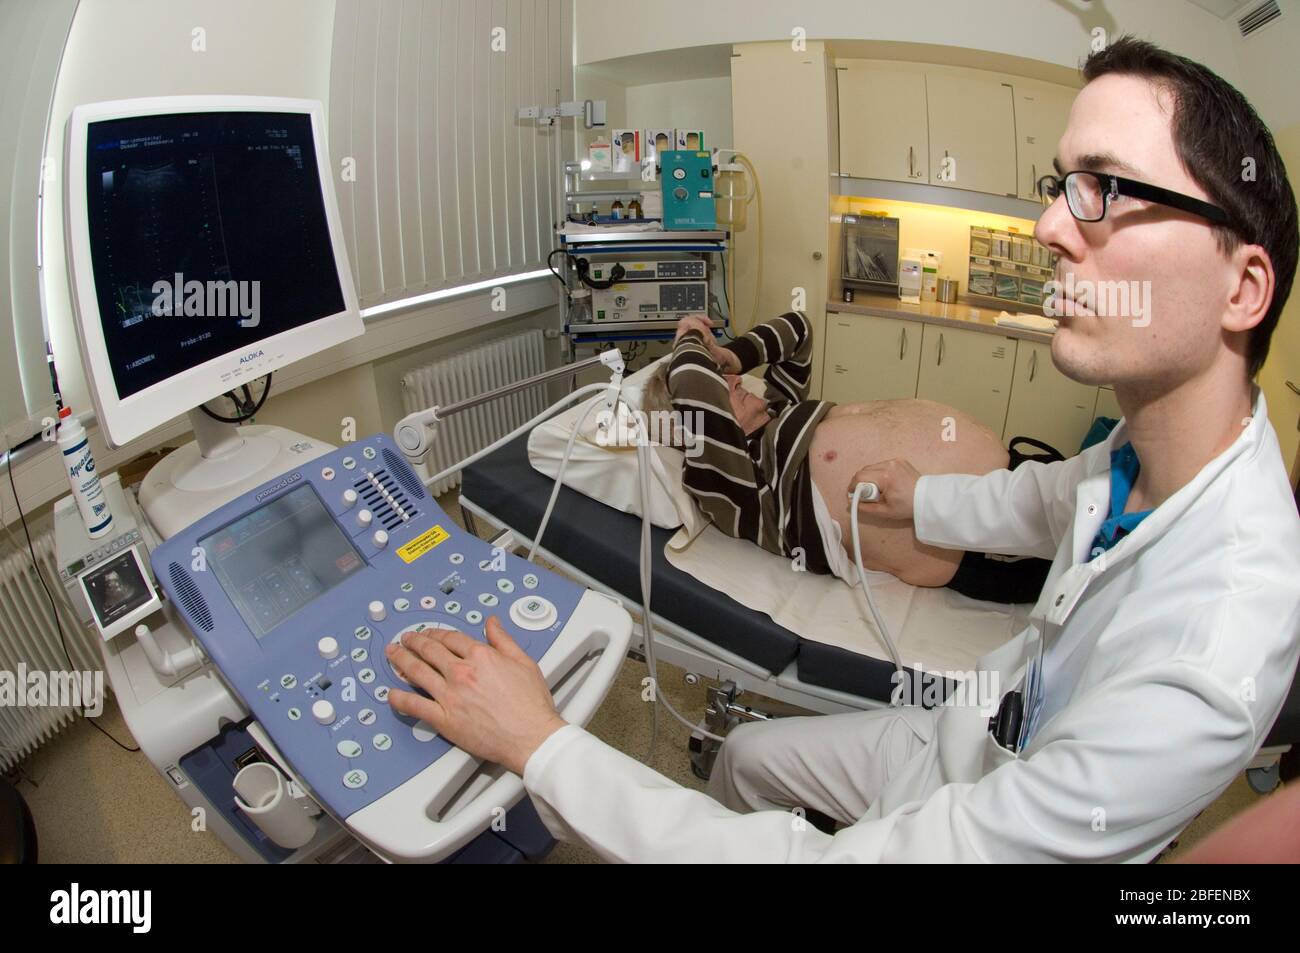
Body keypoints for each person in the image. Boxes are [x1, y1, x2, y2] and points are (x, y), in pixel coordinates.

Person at [384, 37, 1300, 862]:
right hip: (954, 731)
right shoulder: (1139, 463)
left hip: (981, 794)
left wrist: (545, 746)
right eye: (1058, 186)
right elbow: (1040, 502)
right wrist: (918, 500)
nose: (1052, 227)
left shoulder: (1205, 659)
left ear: (1242, 285)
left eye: (1106, 187)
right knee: (742, 755)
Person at [638, 309, 1058, 603]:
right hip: (984, 544)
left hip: (1018, 480)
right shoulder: (734, 485)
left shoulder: (778, 409)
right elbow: (692, 383)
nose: (732, 379)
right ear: (688, 427)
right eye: (720, 380)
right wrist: (689, 335)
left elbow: (798, 329)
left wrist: (733, 354)